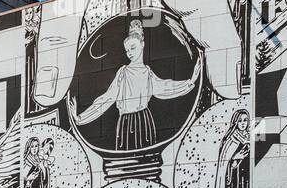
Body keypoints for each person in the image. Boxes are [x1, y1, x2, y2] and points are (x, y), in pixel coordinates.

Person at [73, 19, 201, 149]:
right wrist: (81, 118)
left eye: (133, 48)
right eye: (127, 50)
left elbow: (165, 87)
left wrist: (190, 82)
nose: (129, 53)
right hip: (126, 123)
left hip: (144, 120)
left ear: (142, 44)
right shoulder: (123, 72)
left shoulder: (148, 73)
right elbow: (107, 98)